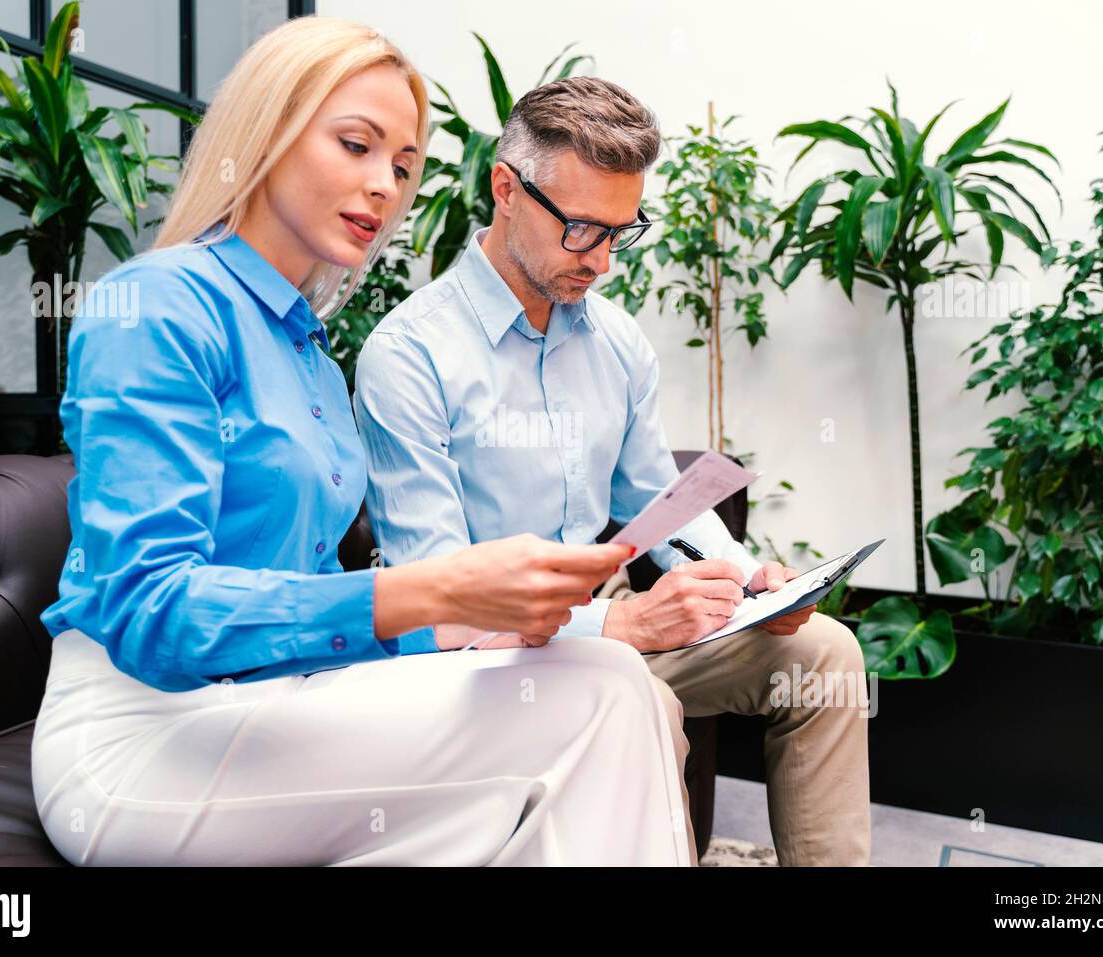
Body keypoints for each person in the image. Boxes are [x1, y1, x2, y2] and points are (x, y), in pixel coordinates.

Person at [30, 17, 694, 867]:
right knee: (597, 698)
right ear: (264, 132)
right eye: (356, 144)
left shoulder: (307, 346)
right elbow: (151, 611)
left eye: (405, 165)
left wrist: (473, 619)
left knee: (590, 680)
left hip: (281, 698)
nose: (385, 185)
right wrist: (428, 590)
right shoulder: (159, 307)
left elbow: (309, 603)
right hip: (144, 733)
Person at [353, 76, 873, 866]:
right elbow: (441, 592)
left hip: (603, 621)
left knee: (828, 656)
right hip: (486, 661)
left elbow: (656, 505)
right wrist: (618, 626)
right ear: (505, 189)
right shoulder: (409, 356)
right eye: (582, 230)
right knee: (646, 708)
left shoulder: (617, 344)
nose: (600, 260)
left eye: (619, 233)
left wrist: (744, 578)